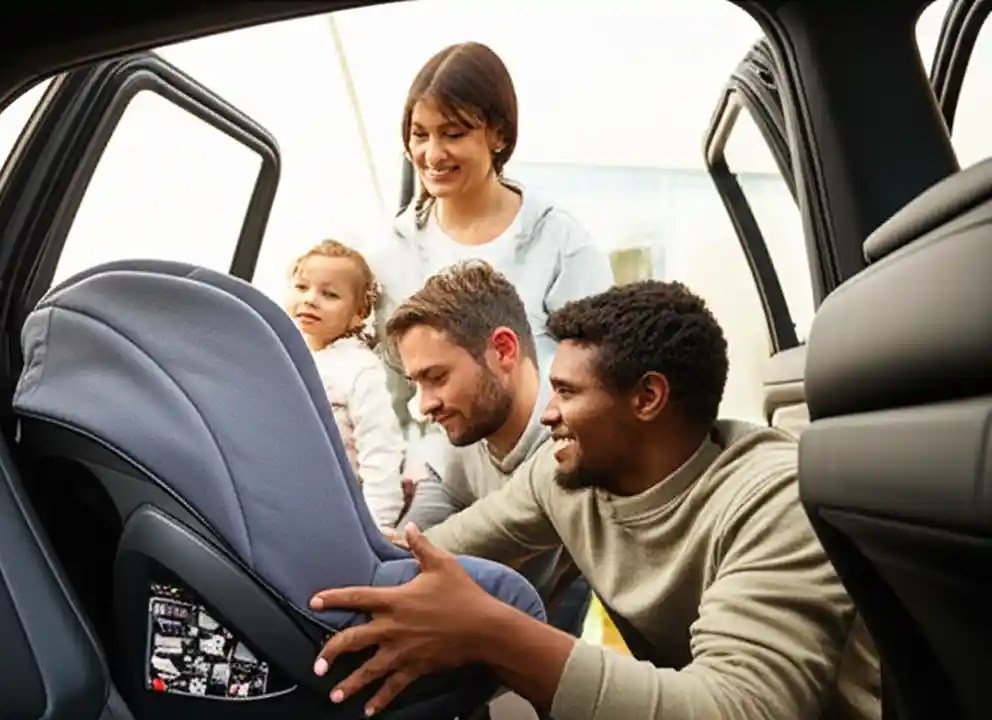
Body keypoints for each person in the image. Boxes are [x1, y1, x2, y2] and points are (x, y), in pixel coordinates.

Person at [308, 280, 880, 720]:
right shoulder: (564, 481)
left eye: (567, 393)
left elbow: (735, 708)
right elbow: (423, 554)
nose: (549, 413)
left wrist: (492, 631)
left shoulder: (775, 500)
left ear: (648, 397)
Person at [362, 38, 612, 641]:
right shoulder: (392, 254)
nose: (431, 153)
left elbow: (604, 372)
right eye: (418, 134)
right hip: (445, 472)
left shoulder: (557, 241)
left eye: (453, 133)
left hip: (550, 480)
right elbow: (387, 391)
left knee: (526, 644)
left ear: (497, 134)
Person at [284, 239, 407, 531]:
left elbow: (381, 453)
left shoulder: (360, 369)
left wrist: (375, 530)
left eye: (330, 294)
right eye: (302, 287)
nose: (311, 299)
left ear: (358, 313)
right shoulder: (279, 352)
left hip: (333, 514)